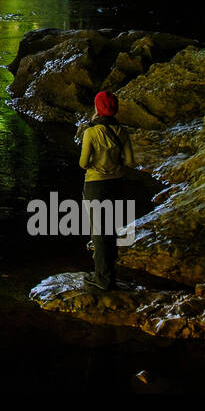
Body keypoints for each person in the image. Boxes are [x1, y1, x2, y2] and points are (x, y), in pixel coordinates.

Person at [78, 89, 135, 290]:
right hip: (117, 183)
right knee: (110, 230)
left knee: (99, 233)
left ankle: (102, 279)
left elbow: (83, 163)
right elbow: (130, 161)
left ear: (98, 108)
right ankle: (109, 273)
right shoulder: (123, 131)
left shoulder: (91, 132)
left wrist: (98, 163)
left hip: (96, 184)